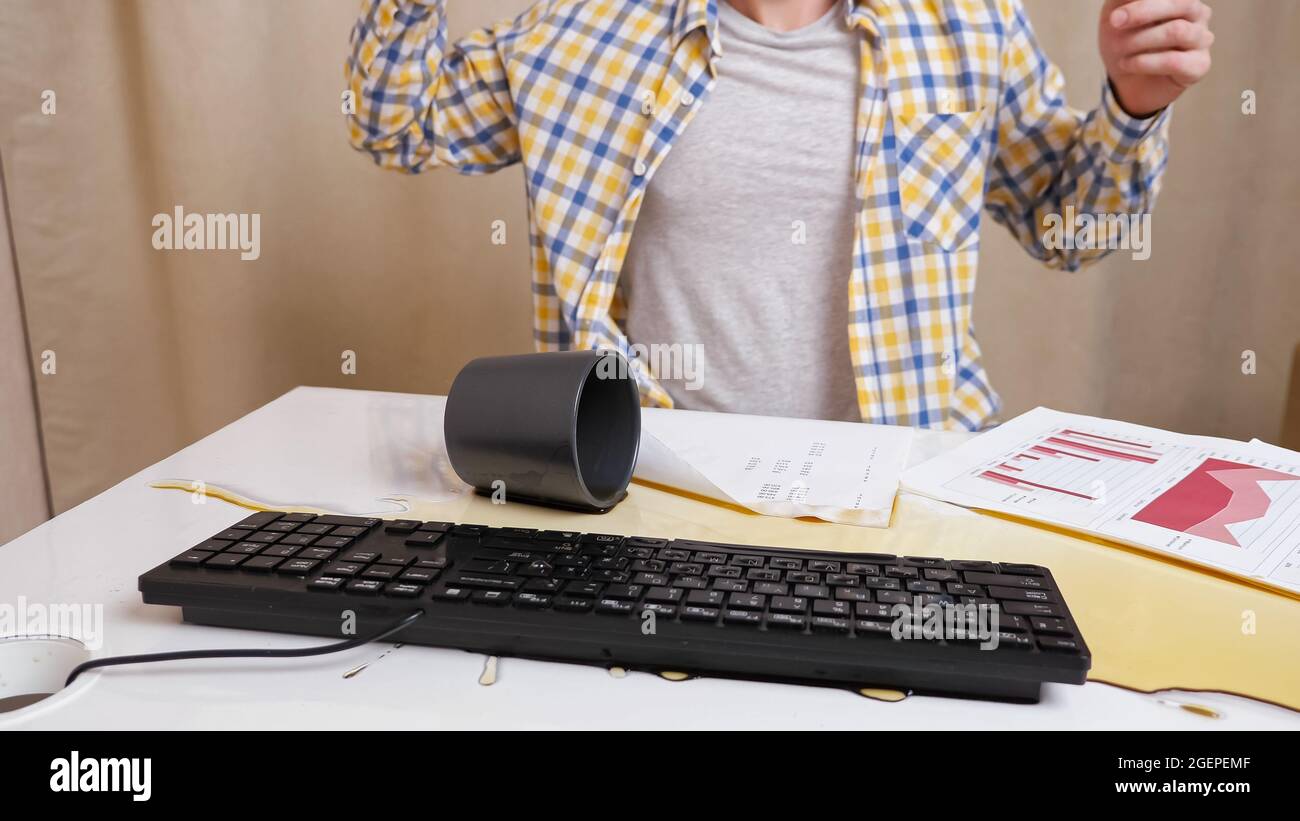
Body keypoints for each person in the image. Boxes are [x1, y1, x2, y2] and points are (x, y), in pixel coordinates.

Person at [344, 0, 1213, 428]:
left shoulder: (964, 23)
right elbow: (394, 121)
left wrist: (1133, 108)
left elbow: (1075, 231)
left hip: (910, 491)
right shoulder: (586, 33)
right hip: (661, 490)